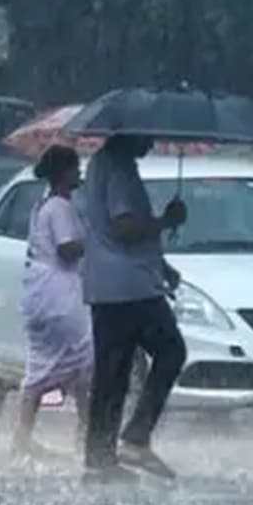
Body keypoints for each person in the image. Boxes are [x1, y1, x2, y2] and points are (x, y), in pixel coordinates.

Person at [80, 134, 188, 479]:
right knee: (171, 350)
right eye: (146, 135)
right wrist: (166, 222)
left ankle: (100, 455)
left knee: (112, 373)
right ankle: (136, 438)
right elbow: (124, 225)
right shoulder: (120, 168)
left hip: (108, 285)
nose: (152, 141)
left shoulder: (99, 163)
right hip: (131, 286)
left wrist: (162, 265)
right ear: (129, 132)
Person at [15, 144, 94, 457]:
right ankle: (86, 435)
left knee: (42, 367)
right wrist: (95, 240)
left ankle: (22, 437)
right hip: (59, 296)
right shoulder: (59, 207)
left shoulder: (43, 205)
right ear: (63, 173)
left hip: (41, 295)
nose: (79, 174)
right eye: (75, 168)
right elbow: (67, 249)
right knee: (88, 362)